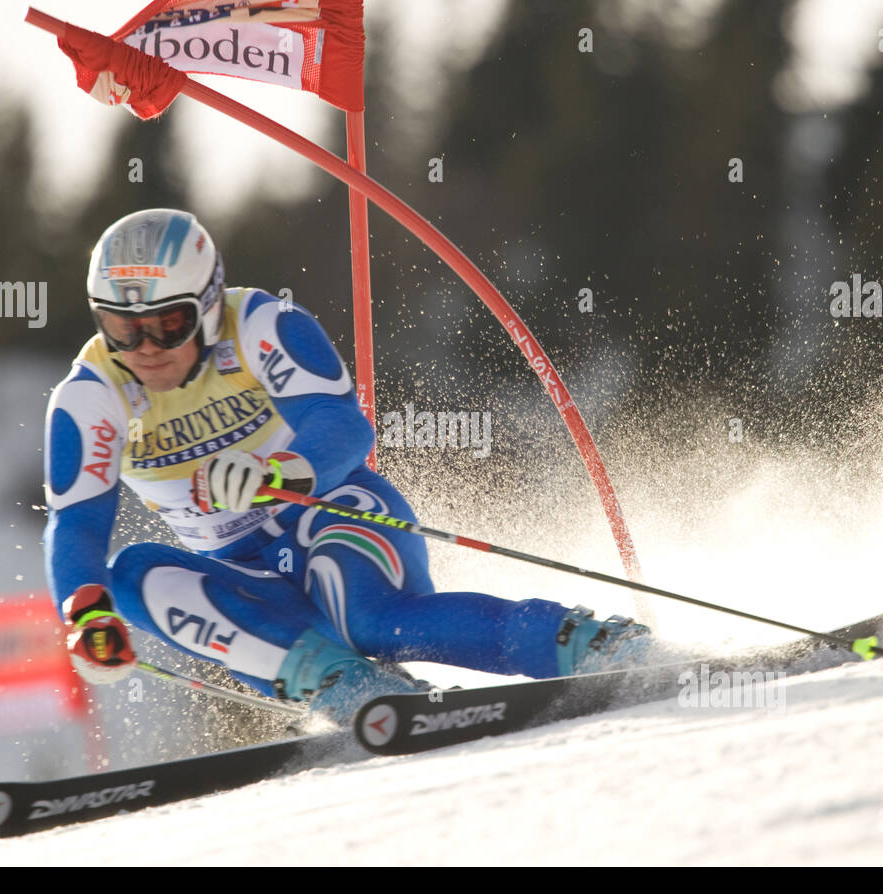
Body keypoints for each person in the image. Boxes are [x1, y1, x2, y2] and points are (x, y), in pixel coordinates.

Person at [43, 208, 652, 724]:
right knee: (127, 578)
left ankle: (586, 644)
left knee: (368, 619)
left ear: (205, 306)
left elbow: (343, 427)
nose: (145, 348)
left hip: (332, 515)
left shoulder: (257, 325)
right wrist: (85, 615)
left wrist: (277, 473)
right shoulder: (92, 393)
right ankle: (352, 690)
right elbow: (77, 526)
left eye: (166, 323)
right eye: (122, 327)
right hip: (245, 572)